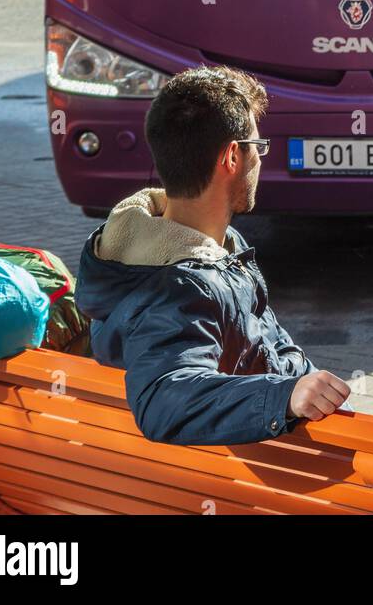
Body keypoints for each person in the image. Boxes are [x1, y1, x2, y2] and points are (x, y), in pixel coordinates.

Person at [75, 65, 351, 446]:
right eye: (259, 147)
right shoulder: (179, 286)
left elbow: (269, 342)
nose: (261, 160)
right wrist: (284, 397)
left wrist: (307, 383)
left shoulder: (180, 248)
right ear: (232, 157)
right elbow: (162, 399)